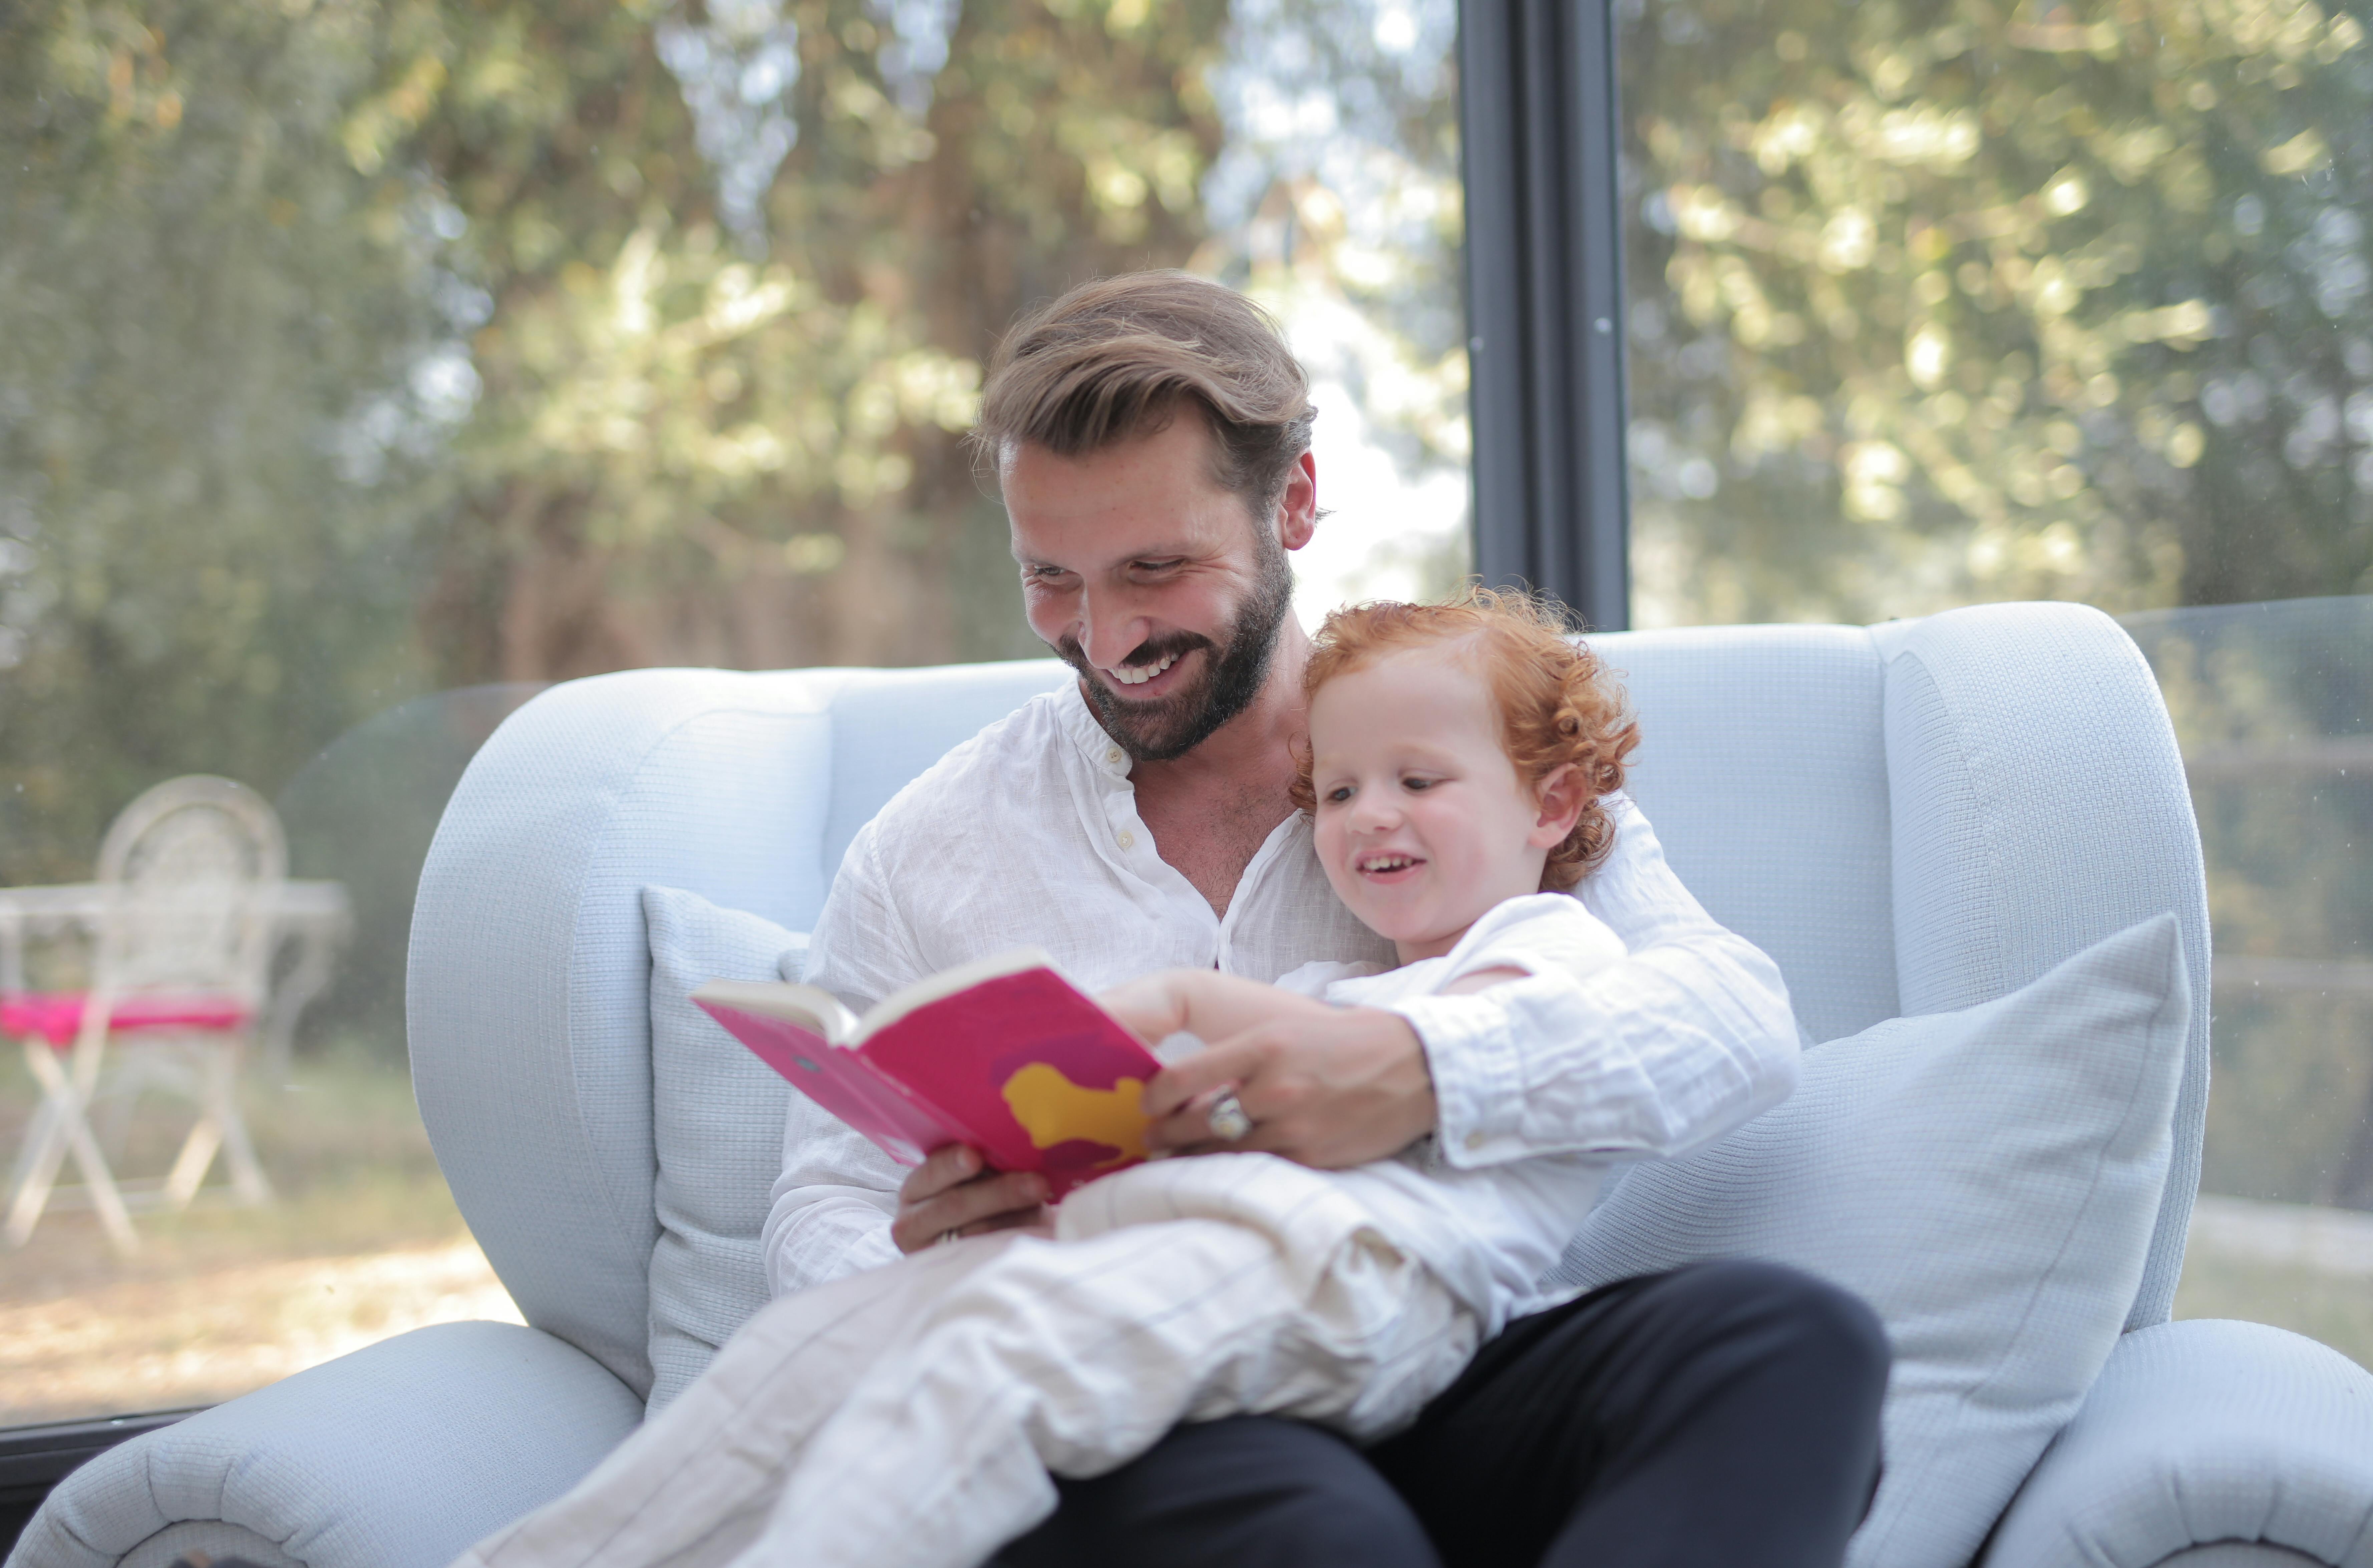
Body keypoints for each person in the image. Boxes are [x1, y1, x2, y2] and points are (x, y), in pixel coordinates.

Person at [499, 271, 1886, 1568]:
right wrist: (964, 1249)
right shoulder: (932, 849)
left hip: (1430, 1340)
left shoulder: (1452, 763)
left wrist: (1417, 1071)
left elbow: (1732, 1016)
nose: (1104, 638)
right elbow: (825, 1202)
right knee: (1302, 1522)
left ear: (1294, 505)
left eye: (1155, 569)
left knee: (1787, 1338)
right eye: (1051, 577)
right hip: (1139, 1381)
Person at [453, 590, 1671, 1568]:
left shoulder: (1553, 949)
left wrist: (1175, 1008)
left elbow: (1397, 1062)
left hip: (1356, 1290)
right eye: (1341, 790)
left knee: (981, 1371)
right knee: (810, 1350)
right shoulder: (1332, 976)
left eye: (1418, 782)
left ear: (1554, 801)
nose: (1368, 817)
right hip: (1199, 1258)